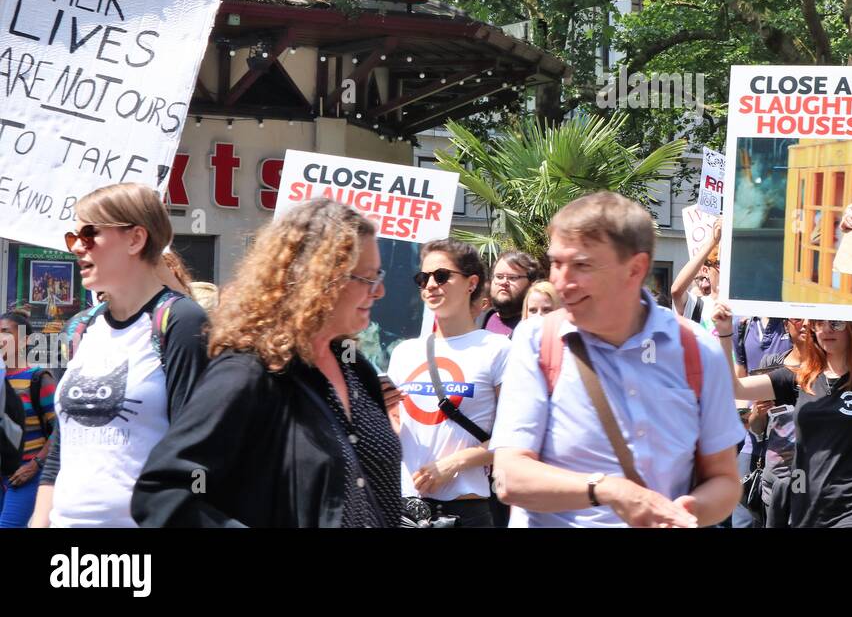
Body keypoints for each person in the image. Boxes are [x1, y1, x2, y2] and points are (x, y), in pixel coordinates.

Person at [131, 198, 401, 527]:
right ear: (320, 280)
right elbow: (163, 491)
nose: (380, 292)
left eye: (378, 276)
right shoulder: (249, 373)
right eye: (368, 278)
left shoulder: (356, 369)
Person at [491, 192, 744, 527]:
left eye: (581, 265)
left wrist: (686, 511)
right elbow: (510, 477)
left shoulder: (697, 350)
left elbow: (725, 481)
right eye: (556, 263)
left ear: (635, 269)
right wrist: (608, 490)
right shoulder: (537, 341)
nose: (560, 282)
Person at [29, 183, 208, 528]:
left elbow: (197, 452)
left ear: (135, 239)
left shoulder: (182, 321)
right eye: (73, 237)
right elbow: (62, 447)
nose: (76, 247)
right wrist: (38, 524)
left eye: (90, 234)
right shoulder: (80, 329)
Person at [714, 303, 852, 528]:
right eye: (819, 323)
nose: (826, 329)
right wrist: (725, 334)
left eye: (836, 323)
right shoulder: (801, 378)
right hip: (807, 507)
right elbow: (734, 388)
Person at [387, 239, 510, 528]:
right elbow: (397, 425)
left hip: (465, 512)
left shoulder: (497, 349)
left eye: (441, 276)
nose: (430, 285)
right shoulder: (405, 352)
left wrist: (454, 463)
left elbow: (515, 438)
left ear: (471, 283)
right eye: (423, 278)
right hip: (404, 509)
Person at [731, 310, 795, 528]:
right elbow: (738, 381)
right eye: (796, 320)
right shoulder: (742, 325)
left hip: (790, 451)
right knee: (744, 518)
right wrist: (749, 415)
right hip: (754, 442)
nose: (803, 325)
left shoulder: (793, 322)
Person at [0, 311, 56, 527]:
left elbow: (60, 430)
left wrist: (35, 465)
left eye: (5, 332)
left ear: (25, 340)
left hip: (27, 474)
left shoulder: (38, 379)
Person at [480, 251, 541, 337]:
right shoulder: (475, 322)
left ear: (531, 284)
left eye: (512, 278)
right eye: (499, 277)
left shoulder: (538, 329)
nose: (504, 282)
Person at [671, 221, 722, 325]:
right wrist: (713, 240)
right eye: (719, 263)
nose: (725, 271)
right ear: (705, 271)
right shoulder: (697, 305)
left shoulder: (744, 309)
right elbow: (676, 291)